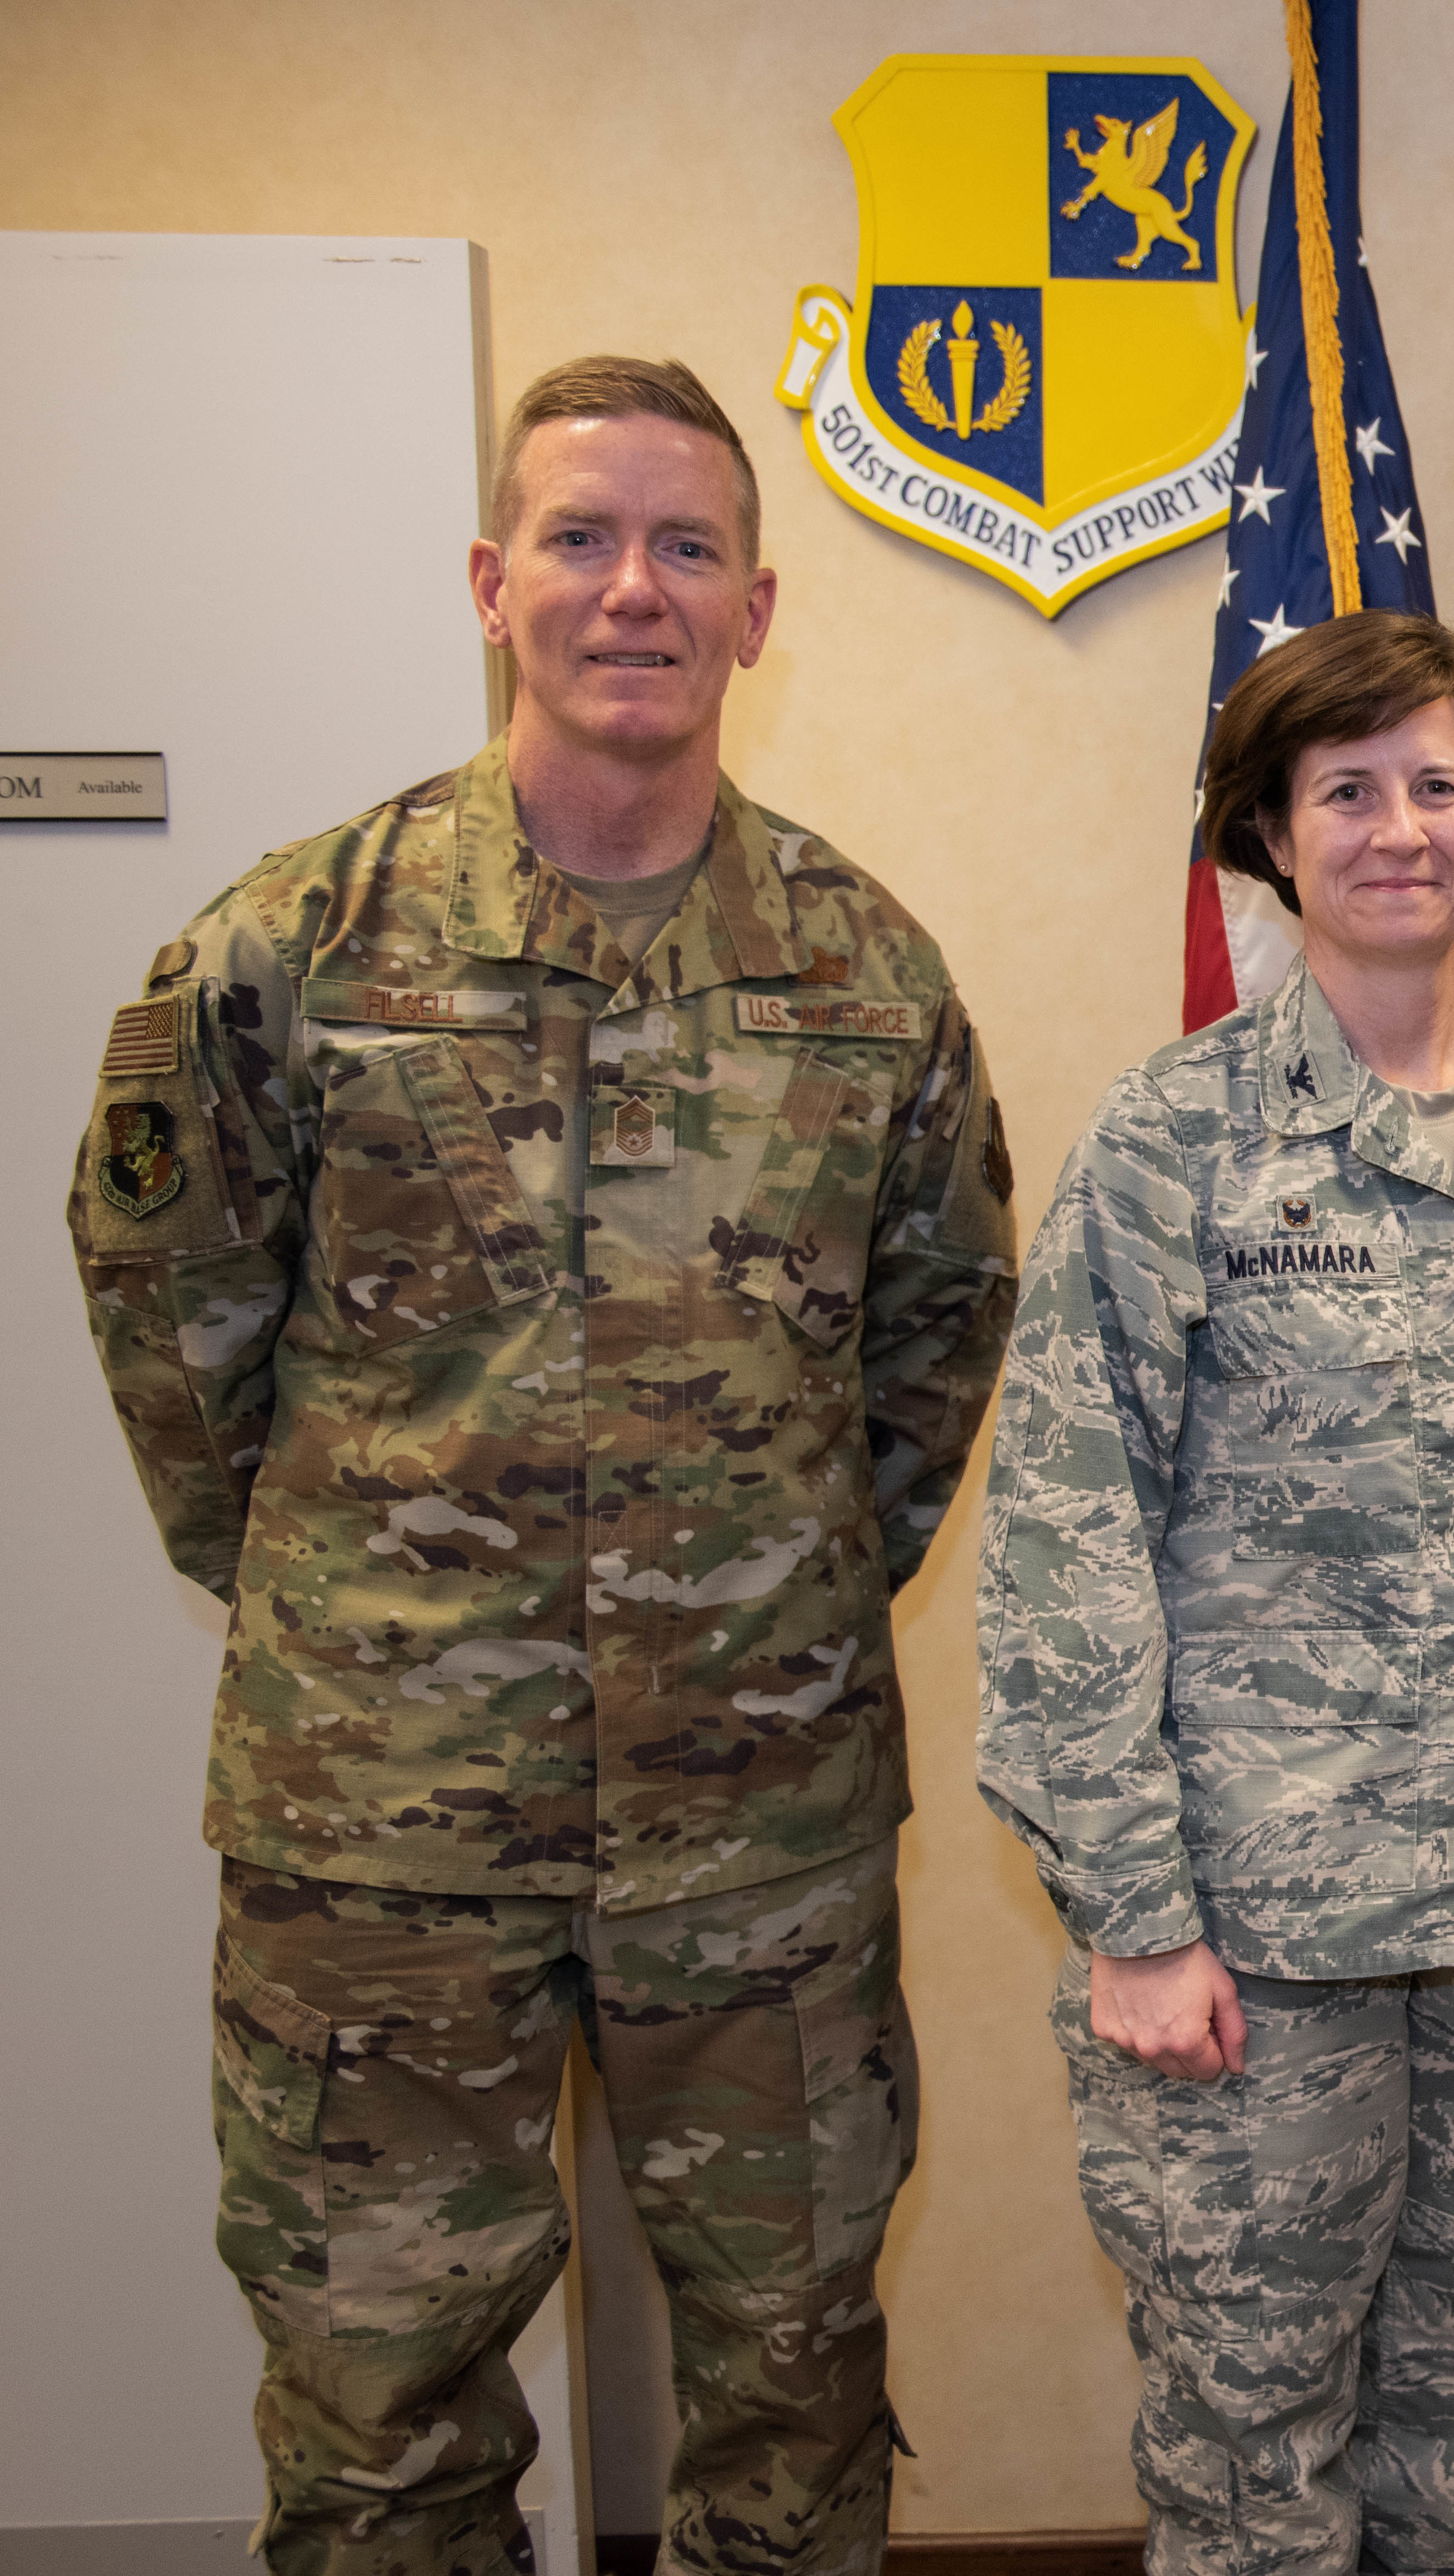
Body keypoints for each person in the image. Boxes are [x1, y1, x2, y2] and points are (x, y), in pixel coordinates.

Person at [65, 355, 1018, 2574]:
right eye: (582, 539)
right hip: (379, 1842)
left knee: (792, 2409)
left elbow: (937, 1338)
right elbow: (167, 1307)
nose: (634, 590)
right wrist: (344, 1601)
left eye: (689, 547)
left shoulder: (871, 976)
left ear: (761, 610)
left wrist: (758, 1608)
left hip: (756, 1842)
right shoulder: (291, 953)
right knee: (380, 2423)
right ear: (493, 585)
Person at [974, 610, 1454, 2576]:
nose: (1400, 829)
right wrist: (1129, 1917)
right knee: (1248, 2445)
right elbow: (1063, 1536)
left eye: (1439, 786)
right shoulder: (1172, 1141)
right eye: (1346, 791)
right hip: (1248, 1937)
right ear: (1275, 842)